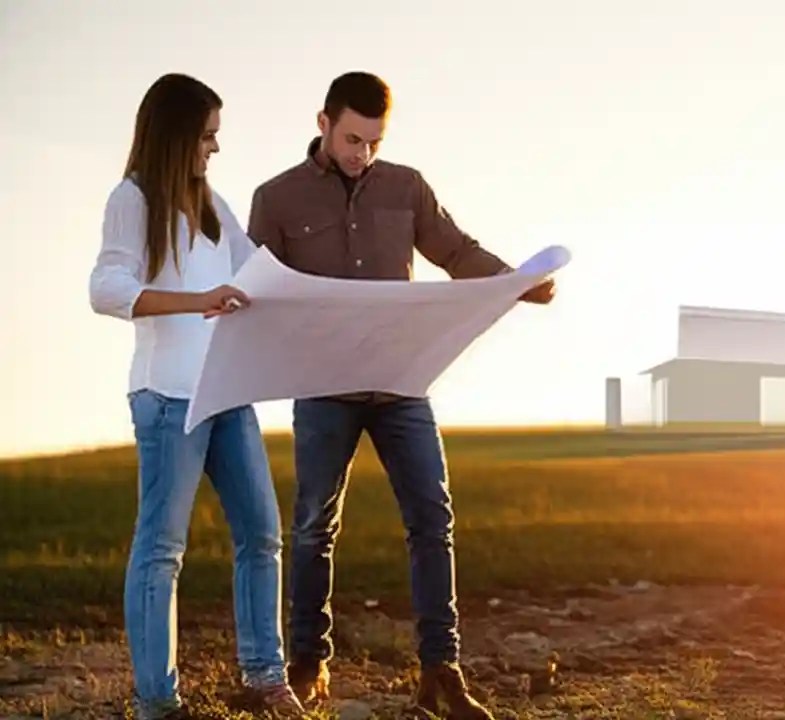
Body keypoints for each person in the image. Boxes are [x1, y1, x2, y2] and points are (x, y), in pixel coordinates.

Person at [246, 70, 555, 719]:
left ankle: (441, 673)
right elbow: (256, 291)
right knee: (311, 527)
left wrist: (515, 283)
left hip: (401, 383)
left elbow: (453, 249)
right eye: (353, 138)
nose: (363, 154)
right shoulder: (274, 199)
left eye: (374, 142)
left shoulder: (406, 187)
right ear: (324, 123)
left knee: (432, 520)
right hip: (323, 388)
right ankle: (308, 664)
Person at [88, 73, 306, 720]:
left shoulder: (213, 204)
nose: (214, 148)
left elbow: (255, 271)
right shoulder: (131, 200)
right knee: (162, 549)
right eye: (207, 135)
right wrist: (197, 303)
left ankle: (265, 678)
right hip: (167, 398)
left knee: (263, 533)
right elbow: (106, 288)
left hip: (227, 394)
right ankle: (158, 702)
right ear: (177, 133)